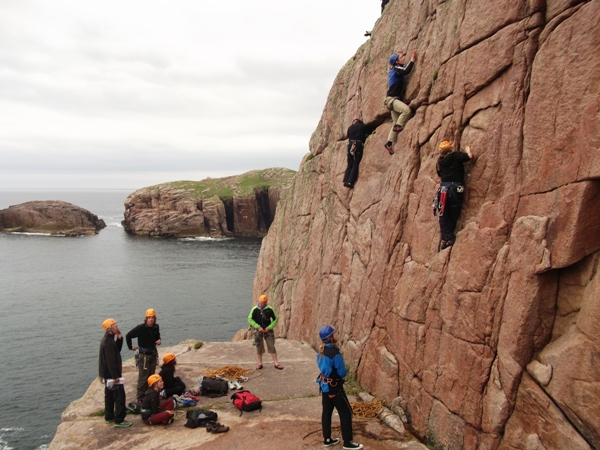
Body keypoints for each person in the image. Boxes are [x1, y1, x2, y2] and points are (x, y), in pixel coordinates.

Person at [317, 326, 362, 449]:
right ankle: (348, 442)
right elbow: (342, 372)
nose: (337, 334)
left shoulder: (321, 351)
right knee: (346, 412)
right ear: (331, 338)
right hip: (334, 388)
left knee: (326, 412)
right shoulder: (335, 354)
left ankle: (327, 438)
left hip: (325, 386)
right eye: (335, 333)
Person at [436, 140, 473, 250]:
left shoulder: (439, 161)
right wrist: (467, 149)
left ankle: (447, 238)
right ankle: (449, 237)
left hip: (443, 190)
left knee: (443, 214)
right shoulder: (456, 156)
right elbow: (469, 156)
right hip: (456, 189)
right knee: (454, 212)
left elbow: (440, 174)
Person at [98, 318, 132, 428]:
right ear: (110, 329)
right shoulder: (108, 343)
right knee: (119, 396)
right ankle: (119, 419)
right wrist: (115, 376)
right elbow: (111, 361)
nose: (117, 327)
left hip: (107, 374)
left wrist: (120, 338)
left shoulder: (107, 339)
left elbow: (116, 351)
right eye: (115, 326)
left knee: (109, 396)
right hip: (112, 374)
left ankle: (109, 417)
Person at [383, 49, 417, 155]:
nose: (404, 59)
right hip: (392, 100)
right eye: (402, 58)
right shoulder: (396, 69)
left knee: (395, 122)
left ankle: (389, 143)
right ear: (397, 62)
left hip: (393, 100)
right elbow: (406, 71)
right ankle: (399, 126)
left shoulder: (395, 70)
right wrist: (412, 59)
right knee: (406, 111)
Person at [126, 308, 162, 404]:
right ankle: (140, 398)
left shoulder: (156, 327)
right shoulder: (140, 328)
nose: (151, 319)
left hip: (152, 354)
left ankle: (151, 394)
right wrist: (130, 347)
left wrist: (159, 340)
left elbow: (157, 336)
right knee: (143, 377)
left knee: (151, 376)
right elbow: (128, 335)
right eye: (149, 318)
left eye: (152, 318)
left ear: (155, 319)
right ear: (146, 319)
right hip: (144, 356)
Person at [248, 295, 282, 370]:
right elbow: (250, 319)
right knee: (259, 346)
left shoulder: (269, 309)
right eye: (260, 302)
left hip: (268, 330)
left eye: (262, 303)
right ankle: (260, 363)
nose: (261, 304)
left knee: (271, 345)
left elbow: (275, 319)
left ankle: (276, 362)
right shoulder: (255, 309)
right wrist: (257, 327)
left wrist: (269, 327)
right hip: (258, 330)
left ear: (265, 302)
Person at [344, 118, 374, 189]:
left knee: (350, 163)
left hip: (350, 145)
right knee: (355, 163)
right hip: (358, 144)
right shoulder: (362, 126)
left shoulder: (350, 127)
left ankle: (346, 180)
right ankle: (350, 182)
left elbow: (348, 136)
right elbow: (369, 132)